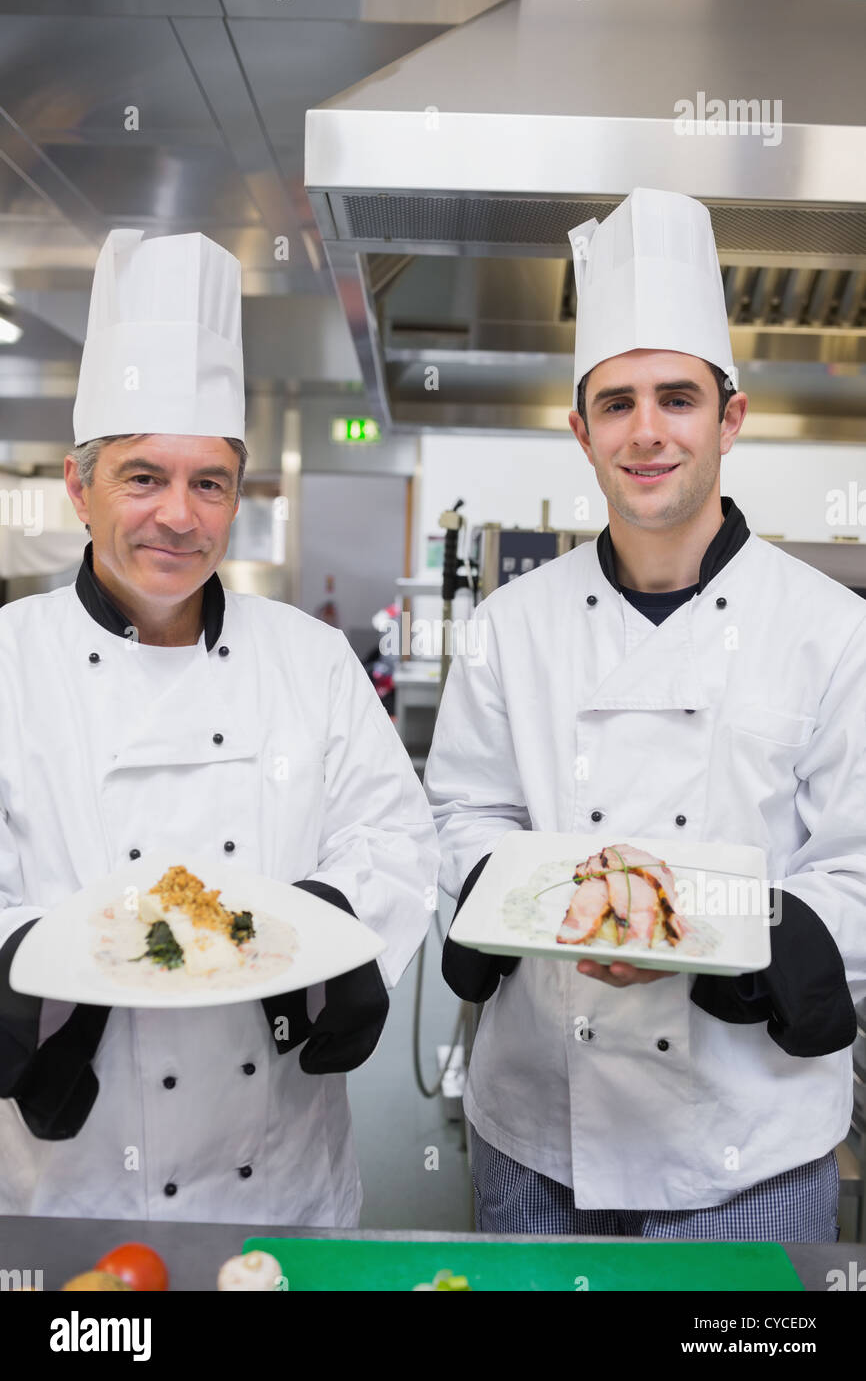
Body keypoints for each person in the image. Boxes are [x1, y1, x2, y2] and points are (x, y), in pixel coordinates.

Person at [424, 188, 865, 1241]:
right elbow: (462, 817)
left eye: (677, 398)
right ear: (581, 431)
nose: (648, 432)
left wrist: (717, 938)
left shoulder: (832, 629)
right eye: (617, 404)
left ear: (730, 418)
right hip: (536, 1134)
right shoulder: (509, 624)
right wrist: (541, 905)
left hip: (748, 1144)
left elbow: (856, 865)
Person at [0, 228, 439, 1225]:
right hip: (71, 1174)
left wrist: (336, 927)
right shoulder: (10, 661)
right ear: (78, 487)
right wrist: (23, 976)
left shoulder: (309, 659)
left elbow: (393, 835)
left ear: (237, 497)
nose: (179, 515)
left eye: (209, 482)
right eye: (142, 477)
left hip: (278, 1166)